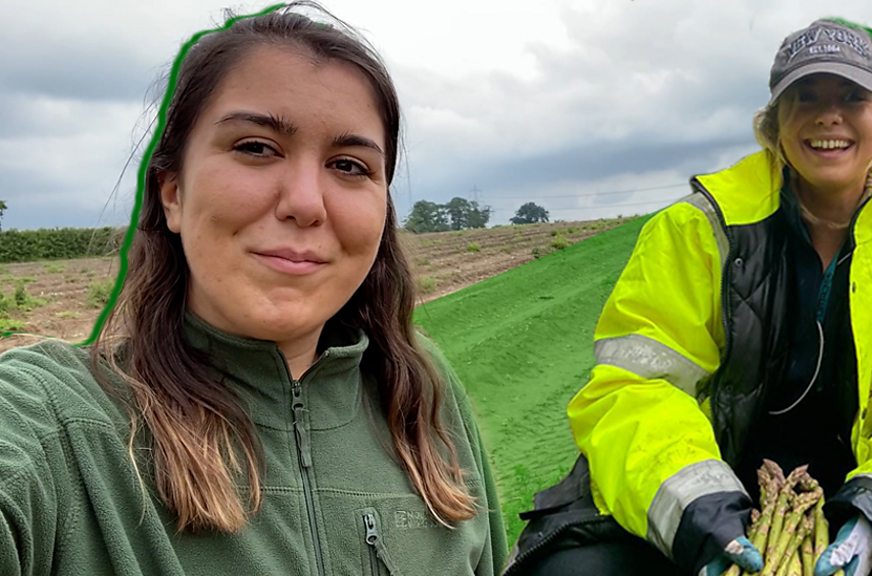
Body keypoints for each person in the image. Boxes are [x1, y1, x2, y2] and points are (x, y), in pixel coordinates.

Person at [0, 4, 506, 575]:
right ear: (172, 193)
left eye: (348, 165)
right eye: (256, 148)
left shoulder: (419, 398)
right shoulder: (56, 425)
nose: (306, 203)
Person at [505, 17, 872, 576]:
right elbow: (634, 391)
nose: (828, 114)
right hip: (710, 483)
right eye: (805, 97)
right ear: (774, 125)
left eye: (853, 96)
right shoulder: (697, 230)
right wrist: (700, 510)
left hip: (867, 485)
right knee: (573, 570)